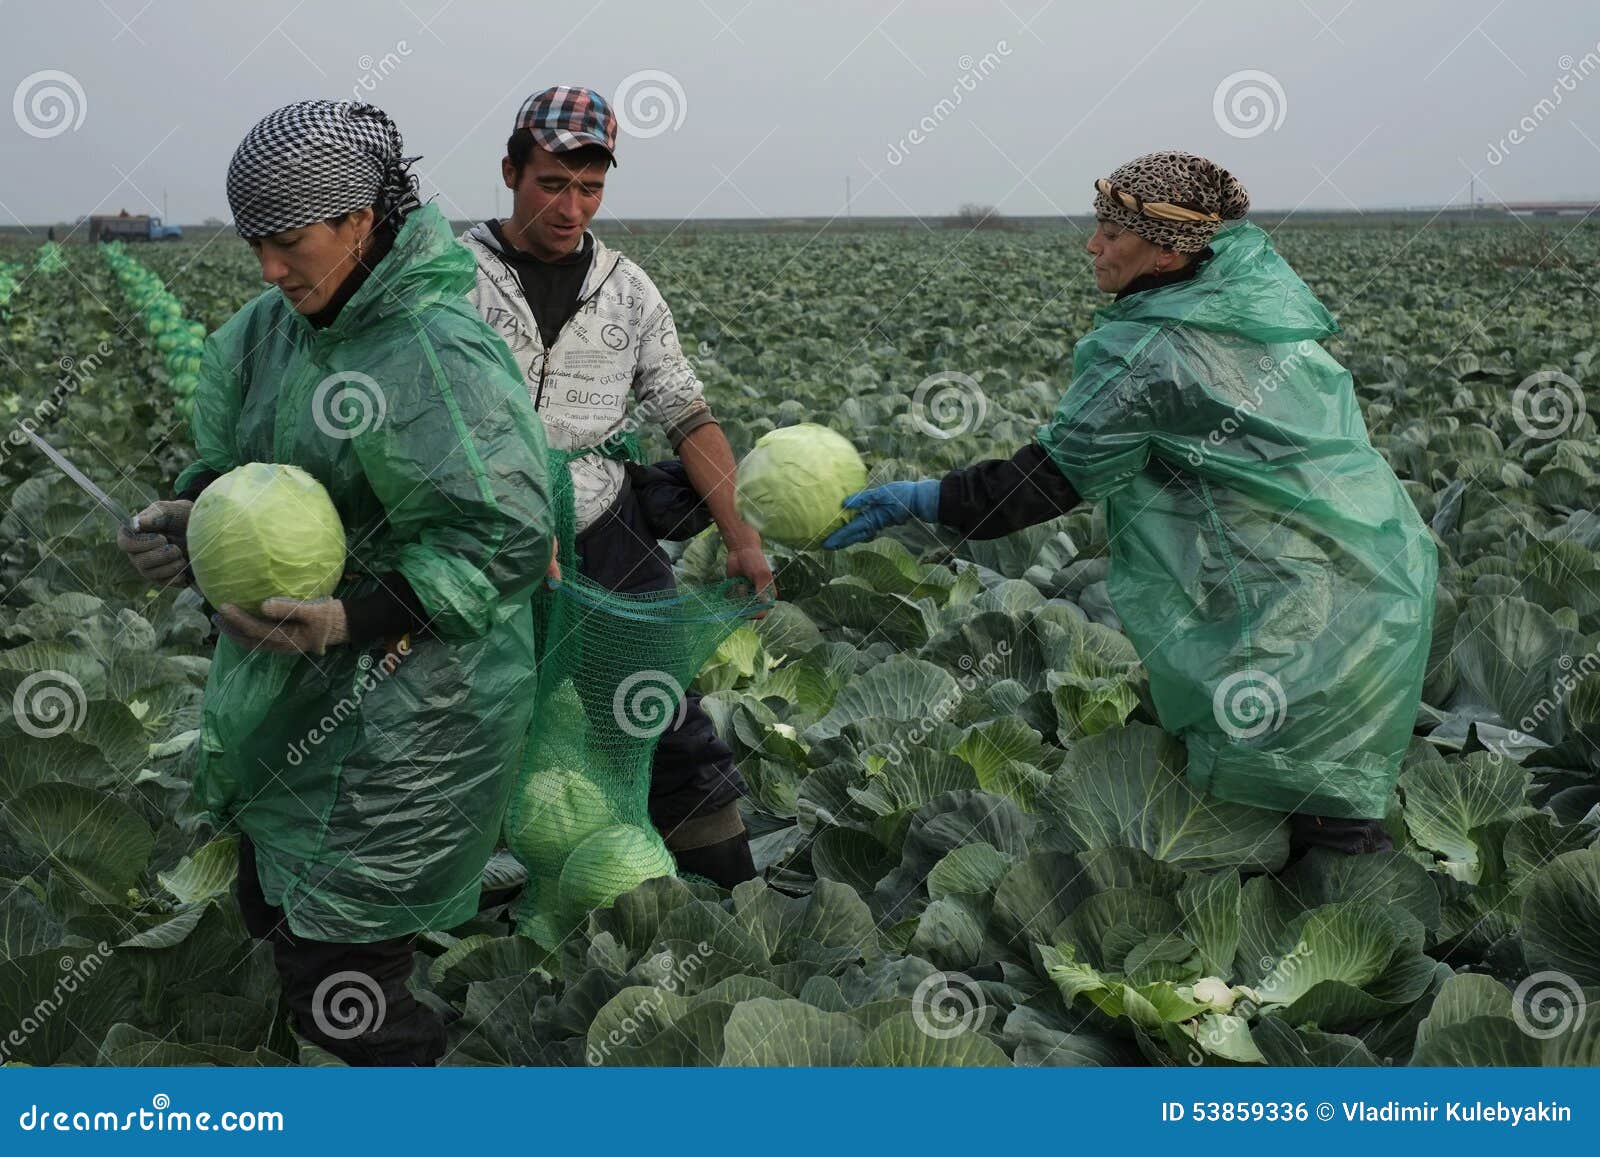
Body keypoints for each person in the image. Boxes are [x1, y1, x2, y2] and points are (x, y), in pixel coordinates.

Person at [825, 151, 1437, 860]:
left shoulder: (1154, 351)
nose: (1093, 246)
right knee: (1306, 803)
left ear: (1167, 250)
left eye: (1112, 234)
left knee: (1321, 824)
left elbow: (1047, 480)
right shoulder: (1241, 301)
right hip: (1376, 572)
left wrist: (926, 498)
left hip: (1299, 608)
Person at [116, 100, 555, 1064]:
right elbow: (230, 462)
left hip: (409, 715)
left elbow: (504, 535)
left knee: (342, 982)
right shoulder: (269, 333)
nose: (269, 271)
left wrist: (350, 615)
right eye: (254, 245)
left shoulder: (432, 350)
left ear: (359, 221)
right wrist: (192, 518)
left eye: (286, 242)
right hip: (285, 701)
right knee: (273, 906)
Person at [459, 86, 772, 888]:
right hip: (477, 531)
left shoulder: (627, 288)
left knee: (658, 711)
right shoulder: (453, 278)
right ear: (509, 172)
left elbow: (687, 415)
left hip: (601, 519)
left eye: (590, 187)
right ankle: (438, 911)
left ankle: (733, 898)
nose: (572, 208)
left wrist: (741, 536)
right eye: (552, 184)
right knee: (460, 716)